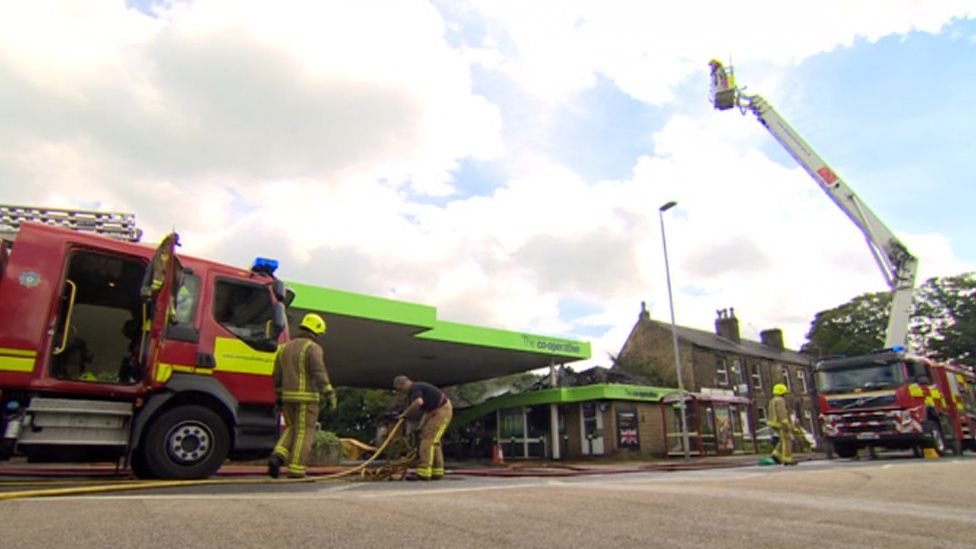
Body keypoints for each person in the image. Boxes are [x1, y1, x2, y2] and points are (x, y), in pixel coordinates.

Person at [268, 313, 337, 478]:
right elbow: (318, 371)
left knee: (293, 428)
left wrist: (279, 395)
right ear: (316, 331)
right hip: (307, 399)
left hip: (287, 398)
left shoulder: (284, 348)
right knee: (304, 432)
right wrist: (329, 392)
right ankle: (296, 469)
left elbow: (276, 375)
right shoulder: (312, 348)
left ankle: (278, 456)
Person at [393, 375, 453, 481]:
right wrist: (421, 425)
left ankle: (424, 472)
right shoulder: (419, 387)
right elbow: (426, 410)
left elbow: (418, 402)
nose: (402, 392)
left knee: (427, 440)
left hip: (441, 412)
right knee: (434, 441)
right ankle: (437, 471)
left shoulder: (414, 388)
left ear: (404, 384)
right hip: (436, 410)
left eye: (401, 389)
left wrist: (405, 414)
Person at [767, 383, 796, 466]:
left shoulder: (773, 400)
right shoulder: (780, 400)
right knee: (787, 439)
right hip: (780, 424)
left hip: (774, 423)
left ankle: (776, 455)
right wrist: (786, 424)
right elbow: (782, 413)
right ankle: (787, 459)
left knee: (783, 439)